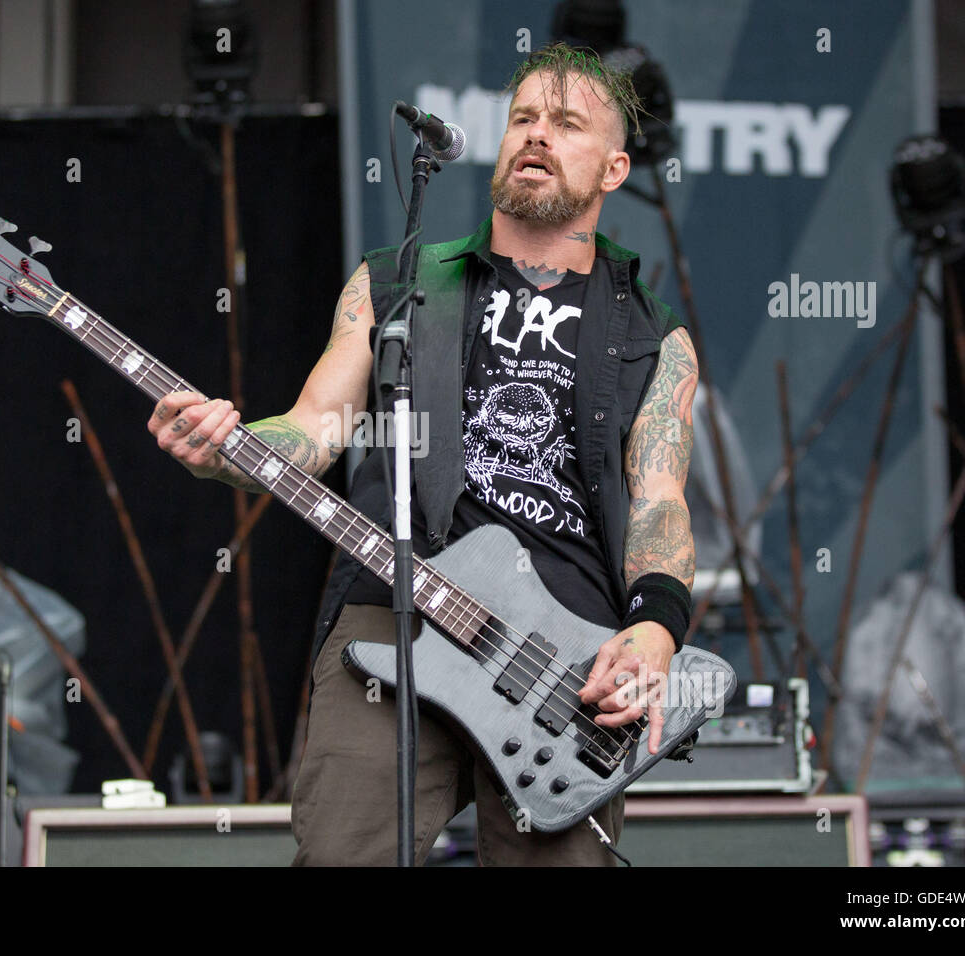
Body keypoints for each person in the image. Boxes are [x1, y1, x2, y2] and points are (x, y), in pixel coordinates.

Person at [147, 42, 698, 866]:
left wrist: (656, 629)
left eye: (566, 123)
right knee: (344, 854)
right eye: (523, 119)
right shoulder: (398, 284)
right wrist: (226, 449)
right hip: (392, 613)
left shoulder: (655, 335)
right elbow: (315, 429)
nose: (537, 135)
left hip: (566, 658)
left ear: (615, 168)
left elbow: (658, 498)